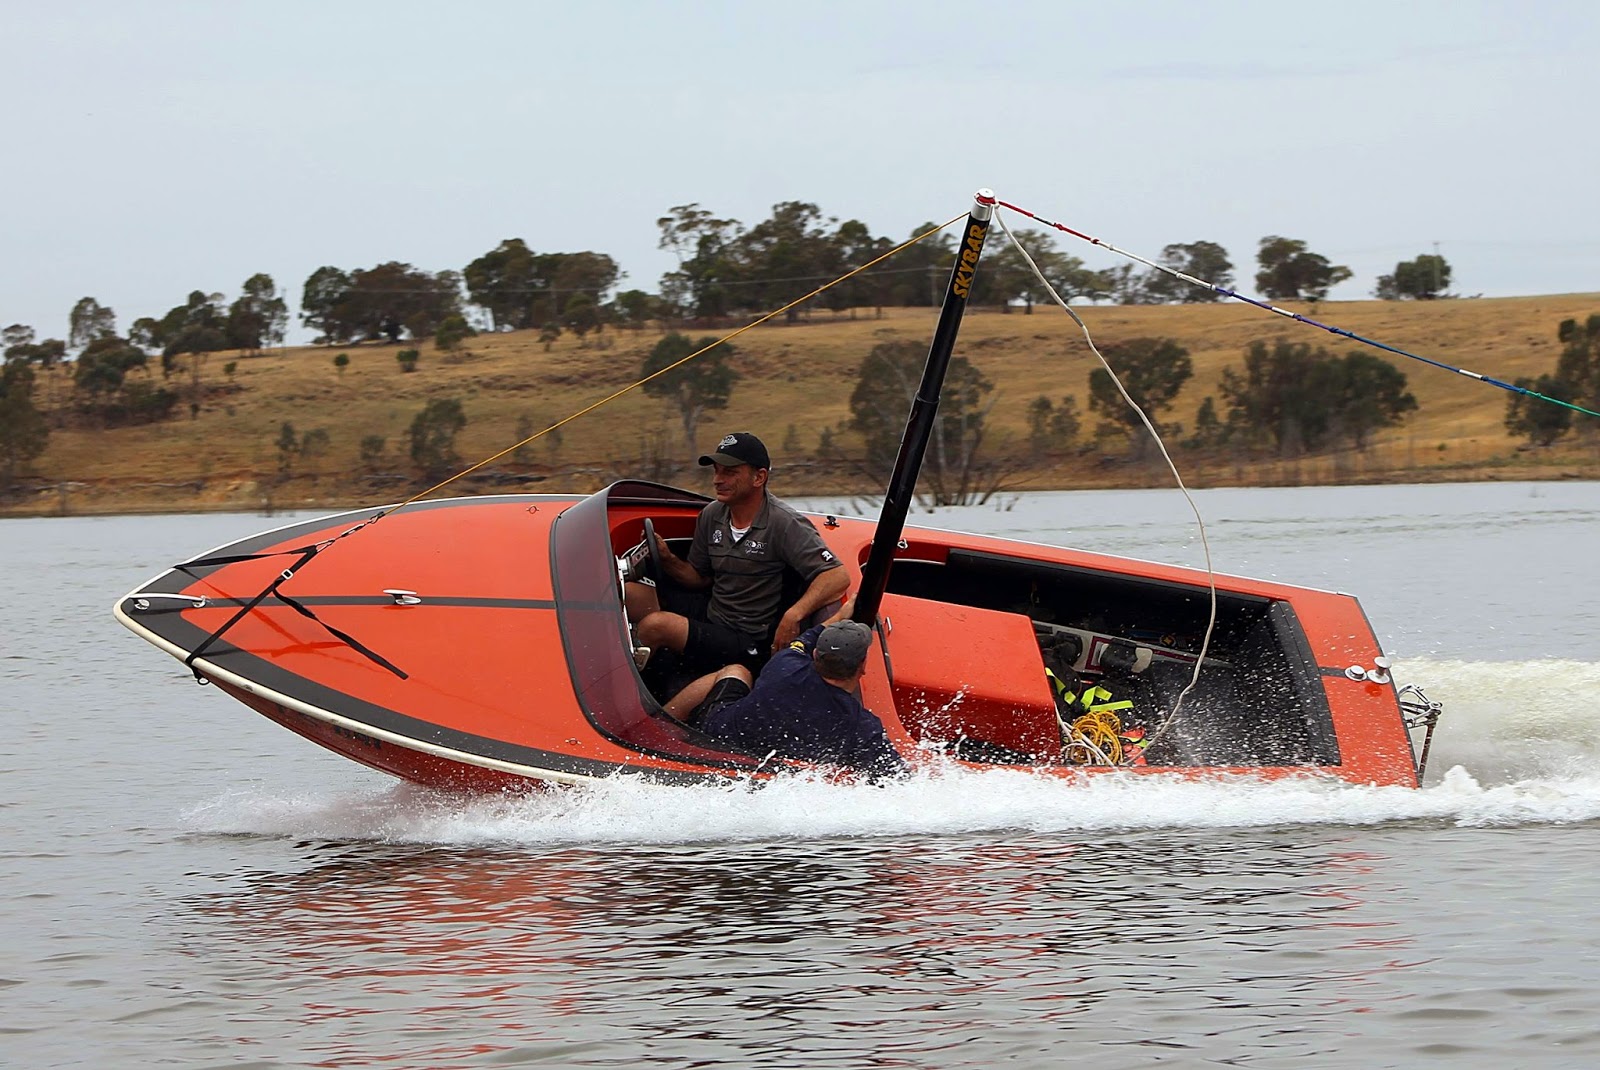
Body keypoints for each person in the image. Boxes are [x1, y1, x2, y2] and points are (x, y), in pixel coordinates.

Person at [627, 431, 849, 715]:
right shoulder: (711, 515)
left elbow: (837, 576)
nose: (718, 480)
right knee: (631, 594)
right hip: (713, 611)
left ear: (759, 478)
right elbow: (699, 578)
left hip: (749, 638)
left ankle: (637, 709)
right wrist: (667, 558)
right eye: (717, 471)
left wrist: (793, 616)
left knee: (656, 626)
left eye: (730, 472)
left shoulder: (784, 523)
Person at [689, 612, 907, 779]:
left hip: (715, 738)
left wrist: (840, 615)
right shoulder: (859, 725)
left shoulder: (784, 665)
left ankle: (665, 720)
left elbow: (805, 639)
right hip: (764, 769)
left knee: (735, 671)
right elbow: (897, 779)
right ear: (863, 666)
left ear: (815, 655)